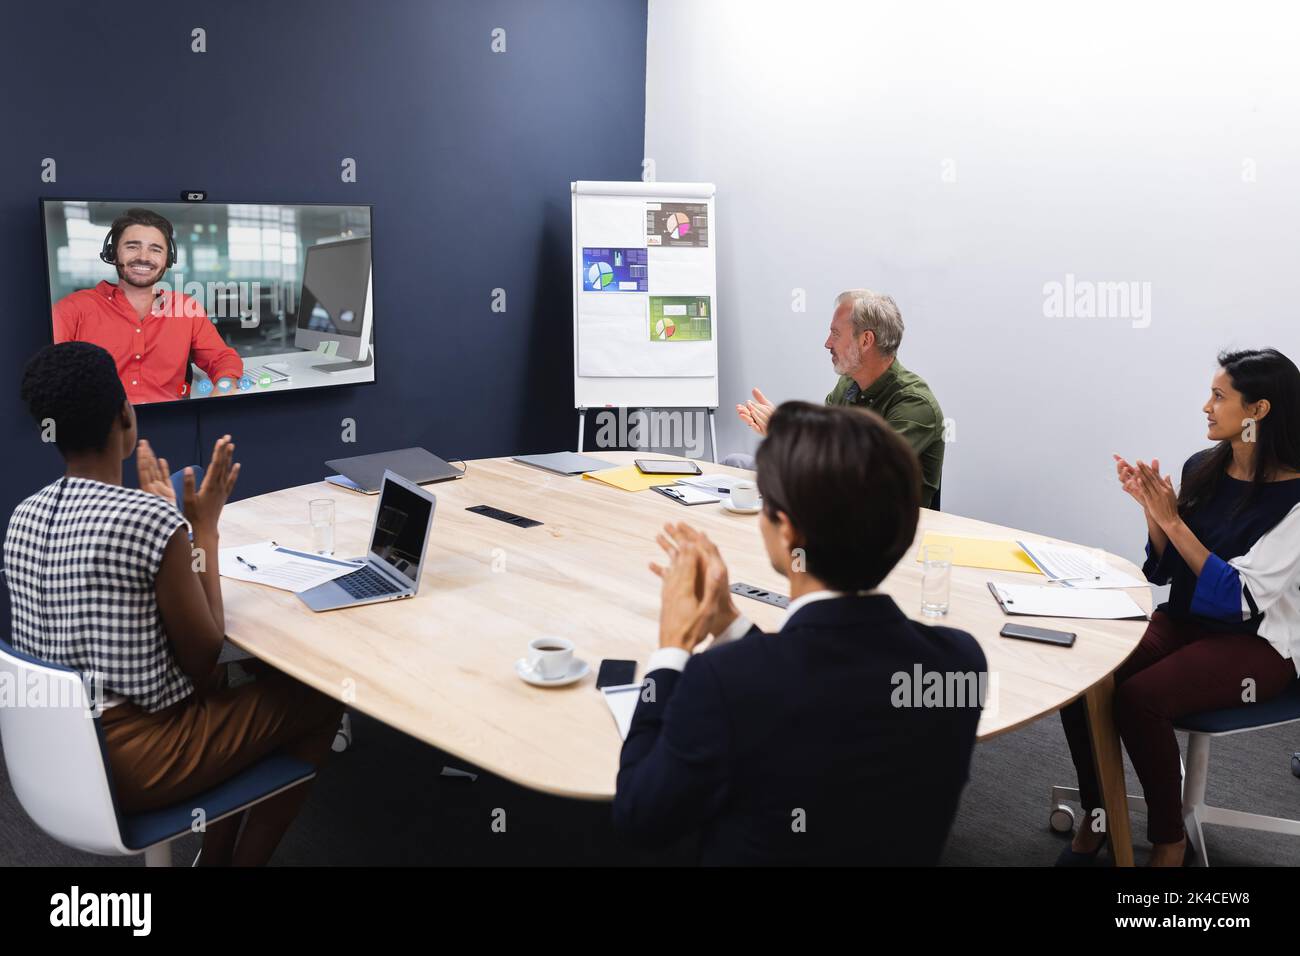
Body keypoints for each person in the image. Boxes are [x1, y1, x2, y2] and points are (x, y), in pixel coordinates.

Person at [4, 341, 341, 866]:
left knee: (247, 687)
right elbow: (205, 655)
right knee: (319, 701)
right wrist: (201, 530)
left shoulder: (23, 515)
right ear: (125, 414)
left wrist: (176, 536)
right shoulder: (148, 521)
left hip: (56, 754)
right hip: (137, 760)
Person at [613, 402, 985, 864]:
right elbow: (816, 696)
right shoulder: (961, 662)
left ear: (786, 533)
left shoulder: (722, 682)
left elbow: (640, 815)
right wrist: (730, 624)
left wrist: (671, 651)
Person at [1059, 348, 1300, 867]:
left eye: (1219, 396)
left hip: (1255, 644)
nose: (1206, 407)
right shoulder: (1203, 467)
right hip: (1186, 619)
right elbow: (1168, 568)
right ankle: (1099, 815)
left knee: (1139, 698)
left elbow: (1240, 598)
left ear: (1258, 410)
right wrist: (1154, 515)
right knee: (1082, 679)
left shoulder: (1296, 499)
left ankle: (1169, 839)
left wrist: (1173, 522)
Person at [52, 207, 243, 404]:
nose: (144, 257)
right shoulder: (71, 309)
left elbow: (223, 359)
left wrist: (222, 390)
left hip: (170, 423)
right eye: (132, 246)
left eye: (155, 249)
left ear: (167, 259)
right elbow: (49, 376)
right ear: (113, 252)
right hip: (99, 428)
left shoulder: (186, 308)